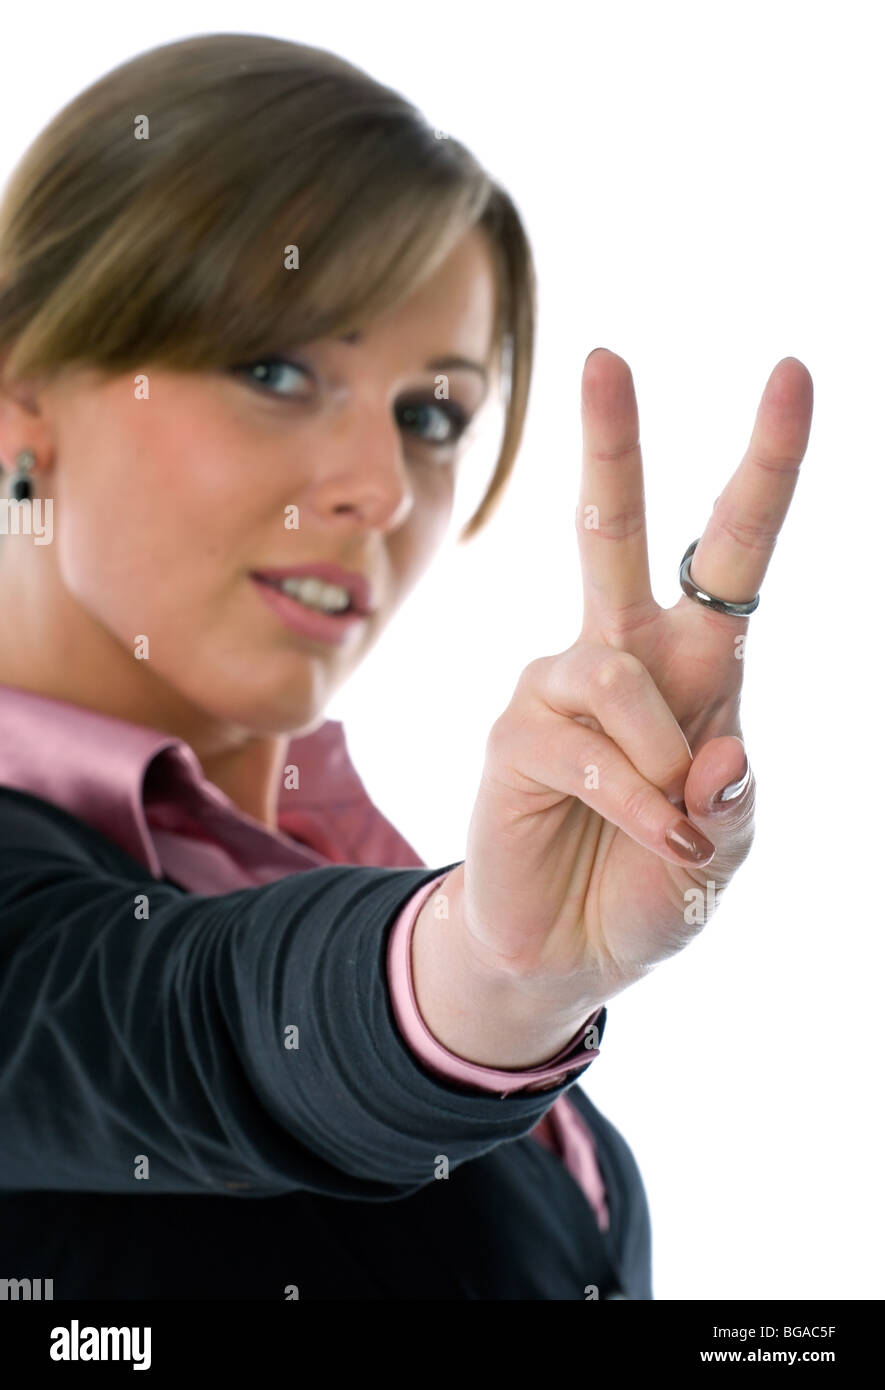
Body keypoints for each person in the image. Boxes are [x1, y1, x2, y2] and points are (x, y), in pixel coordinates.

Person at [0, 32, 813, 1301]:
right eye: (276, 370)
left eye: (430, 413)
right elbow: (176, 1021)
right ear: (22, 398)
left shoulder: (341, 857)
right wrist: (485, 975)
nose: (381, 490)